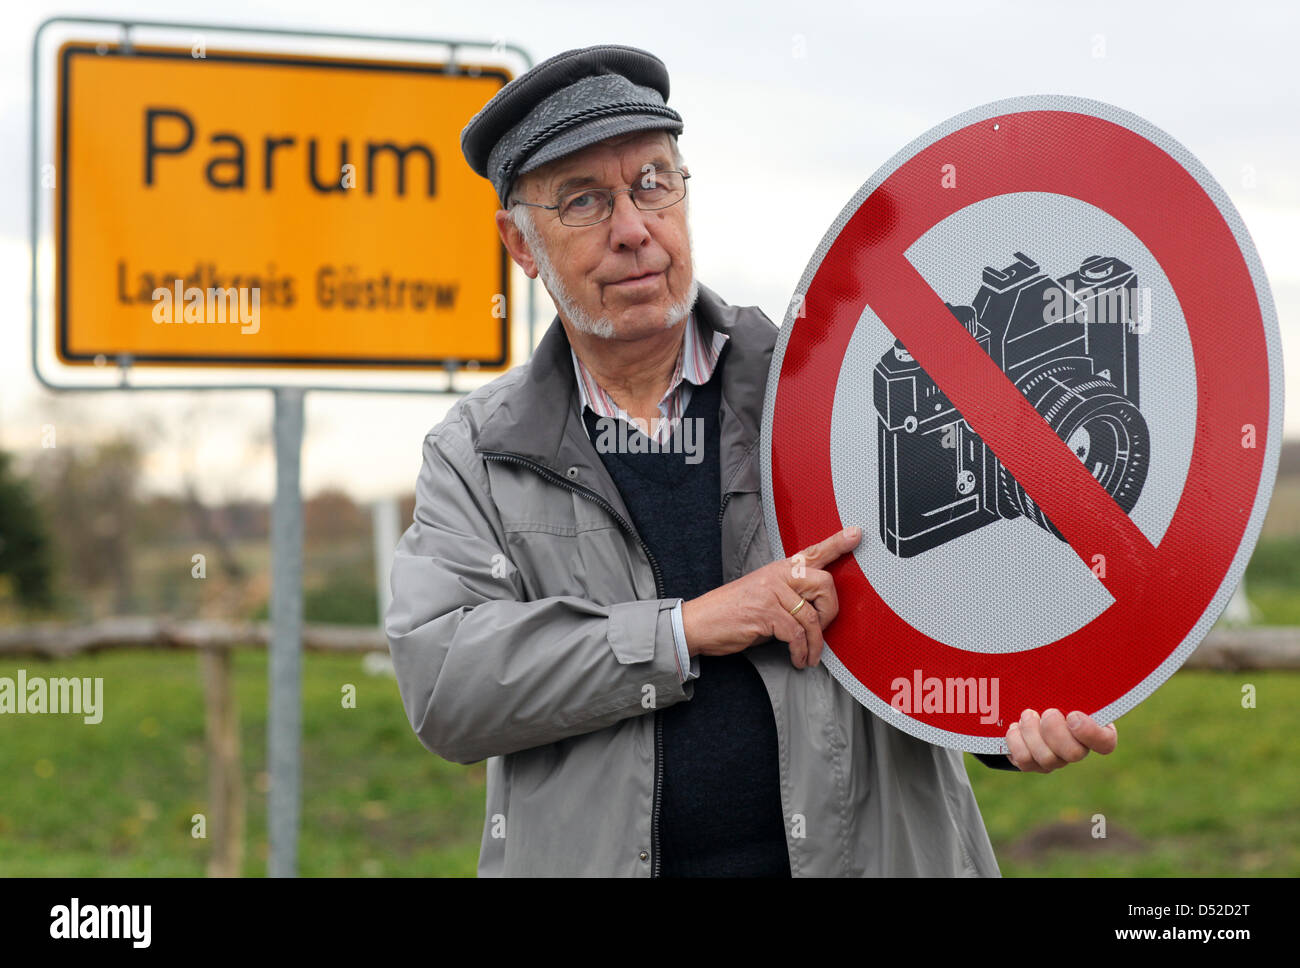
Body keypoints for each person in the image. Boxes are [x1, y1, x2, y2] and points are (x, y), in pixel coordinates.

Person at [384, 44, 1118, 877]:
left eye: (653, 182)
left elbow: (957, 590)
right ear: (519, 243)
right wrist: (684, 630)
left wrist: (1003, 723)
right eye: (584, 202)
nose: (634, 230)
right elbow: (447, 687)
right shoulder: (478, 454)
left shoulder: (827, 383)